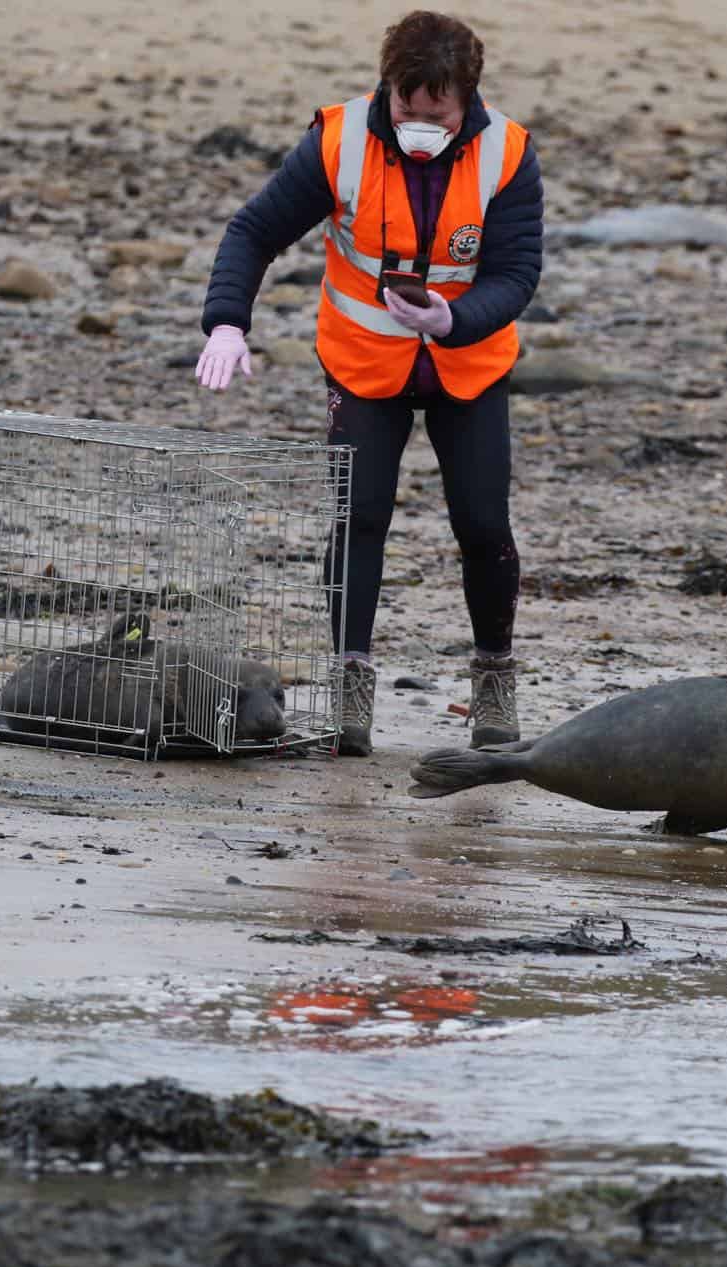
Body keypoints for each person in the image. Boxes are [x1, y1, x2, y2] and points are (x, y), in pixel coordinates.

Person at [194, 9, 541, 760]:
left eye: (436, 114)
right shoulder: (340, 139)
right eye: (406, 109)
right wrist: (227, 320)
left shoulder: (507, 153)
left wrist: (455, 318)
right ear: (389, 90)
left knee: (483, 526)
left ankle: (494, 682)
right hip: (363, 364)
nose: (418, 125)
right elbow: (254, 231)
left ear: (466, 101)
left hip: (467, 363)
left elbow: (517, 273)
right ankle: (350, 691)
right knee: (362, 521)